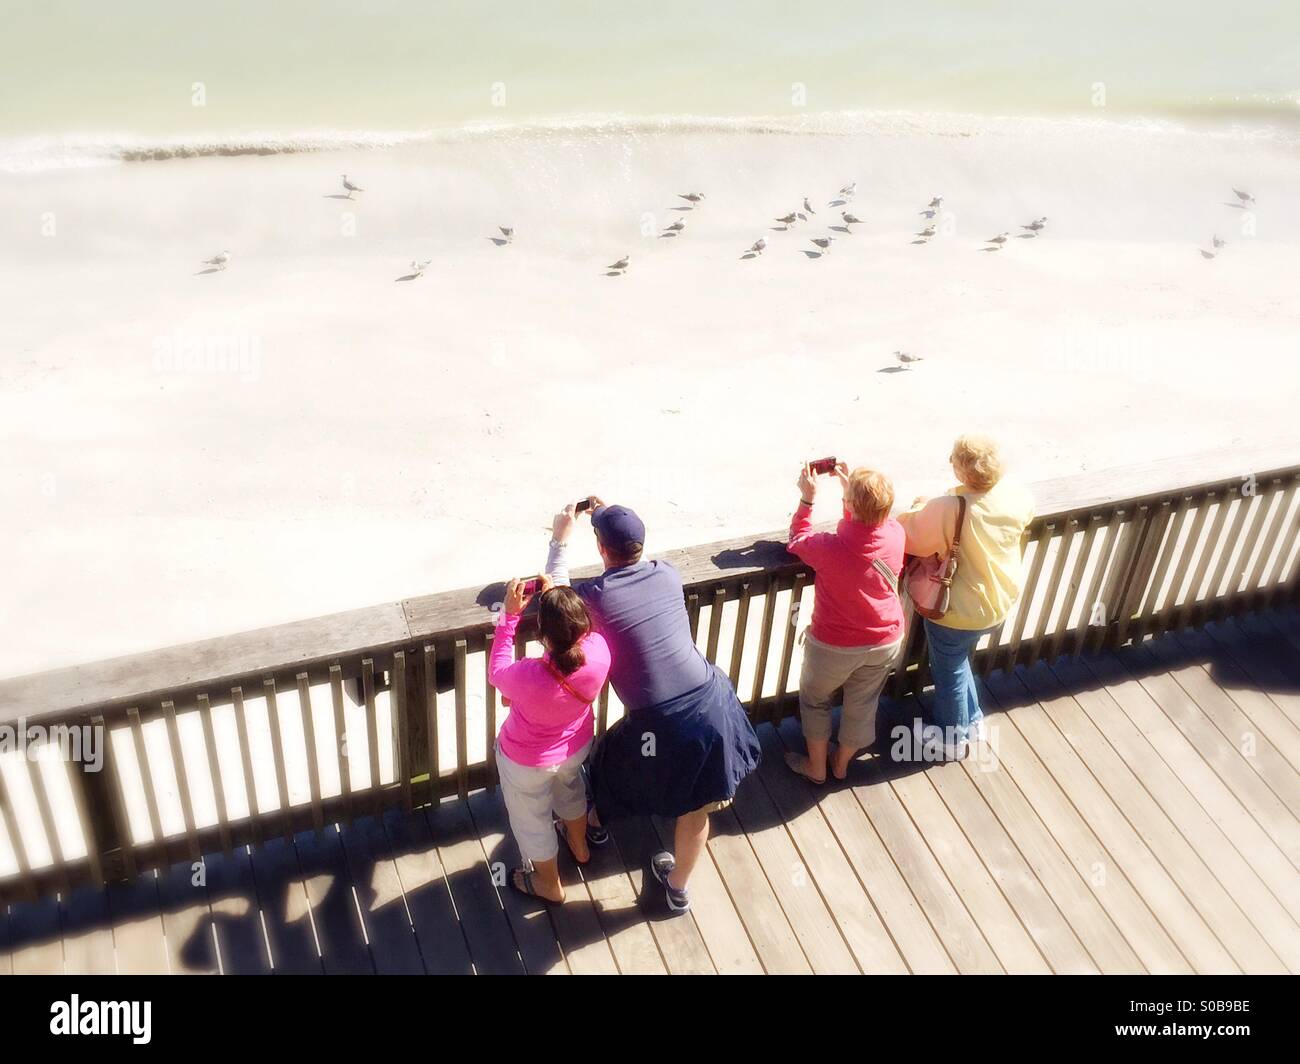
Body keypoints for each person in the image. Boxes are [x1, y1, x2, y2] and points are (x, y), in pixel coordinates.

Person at [544, 500, 761, 914]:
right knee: (697, 807)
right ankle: (677, 889)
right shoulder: (667, 574)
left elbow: (557, 596)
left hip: (661, 721)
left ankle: (594, 827)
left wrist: (559, 539)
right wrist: (609, 516)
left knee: (609, 759)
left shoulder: (596, 597)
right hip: (712, 702)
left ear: (601, 549)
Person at [897, 434, 1034, 759]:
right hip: (998, 601)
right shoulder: (1014, 494)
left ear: (962, 470)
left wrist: (919, 507)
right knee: (959, 662)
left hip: (958, 610)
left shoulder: (949, 507)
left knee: (950, 670)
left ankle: (951, 738)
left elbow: (911, 537)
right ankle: (971, 721)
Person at [488, 576, 611, 904]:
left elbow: (497, 673)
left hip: (526, 763)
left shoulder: (528, 675)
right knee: (570, 790)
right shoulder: (599, 651)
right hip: (575, 747)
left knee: (533, 821)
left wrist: (509, 617)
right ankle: (580, 847)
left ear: (543, 635)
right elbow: (573, 646)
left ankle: (548, 885)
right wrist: (555, 594)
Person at [784, 462, 905, 783]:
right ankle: (841, 764)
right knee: (862, 704)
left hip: (834, 646)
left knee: (815, 700)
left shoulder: (830, 547)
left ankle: (816, 767)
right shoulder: (895, 534)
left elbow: (797, 539)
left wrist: (808, 500)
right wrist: (852, 495)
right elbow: (869, 526)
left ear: (851, 505)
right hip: (886, 640)